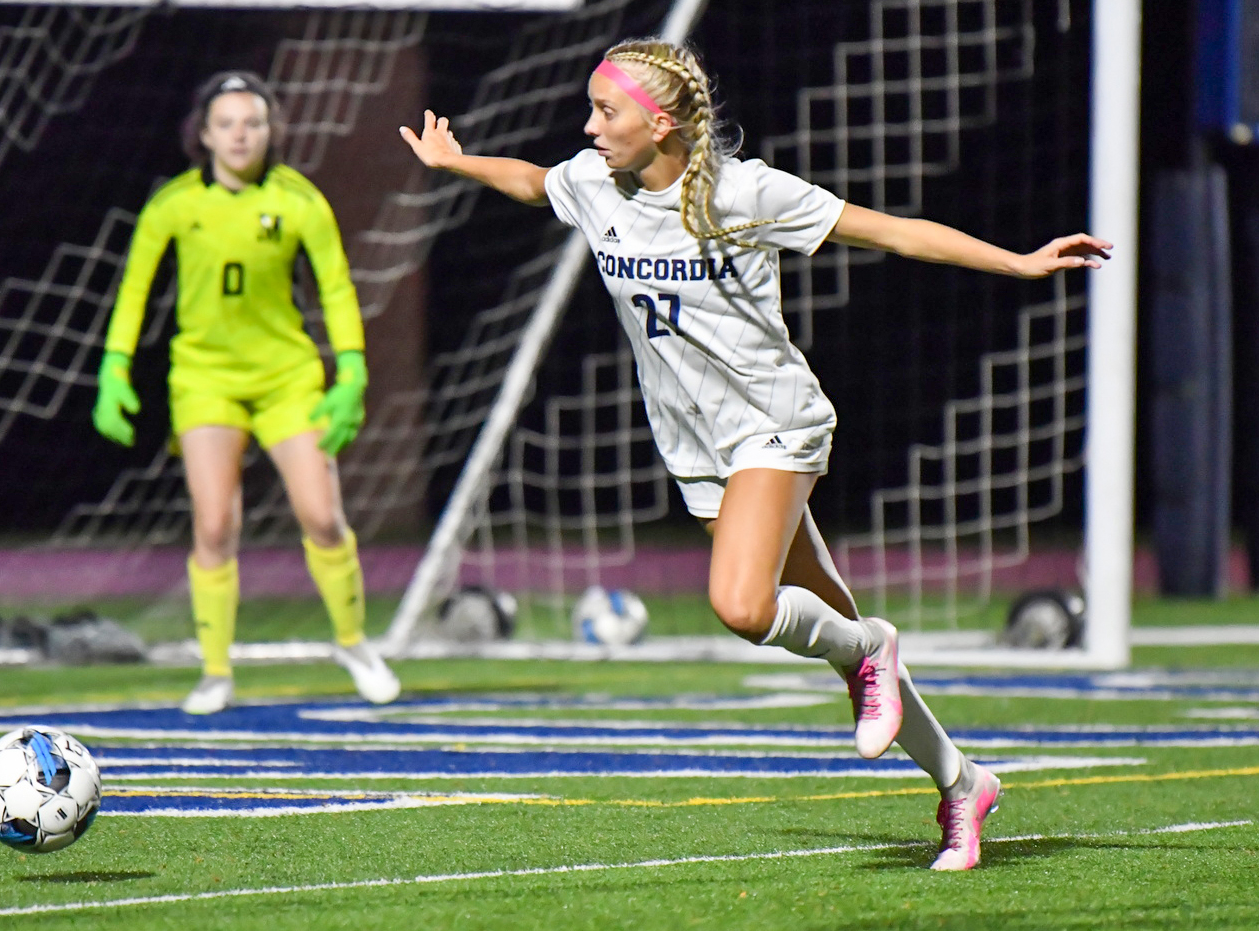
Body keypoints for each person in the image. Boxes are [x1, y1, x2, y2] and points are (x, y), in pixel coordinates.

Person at [400, 38, 1109, 870]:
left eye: (606, 111)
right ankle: (962, 784)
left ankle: (872, 647)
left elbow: (891, 232)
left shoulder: (746, 191)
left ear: (661, 124)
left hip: (774, 422)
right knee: (837, 636)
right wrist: (457, 162)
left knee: (743, 606)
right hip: (697, 445)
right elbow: (530, 180)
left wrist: (1017, 262)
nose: (589, 126)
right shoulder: (596, 183)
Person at [95, 71, 400, 714]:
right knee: (214, 525)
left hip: (286, 378)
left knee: (321, 516)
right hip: (204, 380)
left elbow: (337, 289)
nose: (240, 134)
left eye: (252, 122)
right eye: (227, 123)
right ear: (203, 134)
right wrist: (114, 370)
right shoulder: (173, 205)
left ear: (271, 132)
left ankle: (352, 642)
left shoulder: (299, 201)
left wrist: (352, 373)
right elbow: (134, 293)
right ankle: (214, 672)